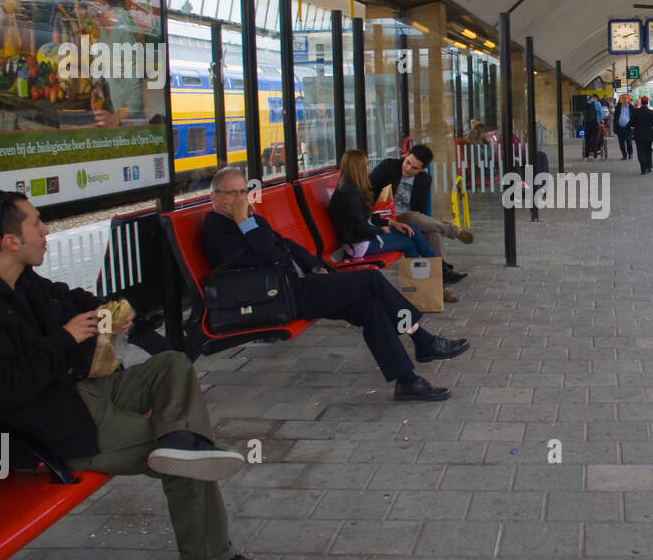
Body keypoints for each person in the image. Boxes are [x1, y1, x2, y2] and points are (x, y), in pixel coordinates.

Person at [0, 189, 266, 560]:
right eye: (36, 223)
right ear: (11, 241)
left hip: (71, 393)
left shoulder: (13, 275)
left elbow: (65, 298)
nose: (46, 230)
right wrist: (64, 338)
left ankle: (182, 439)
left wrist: (106, 312)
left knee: (171, 365)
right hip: (45, 429)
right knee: (185, 455)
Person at [203, 166, 467, 399]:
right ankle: (422, 340)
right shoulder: (217, 229)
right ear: (215, 197)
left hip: (299, 284)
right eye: (232, 193)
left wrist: (316, 266)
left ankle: (407, 381)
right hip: (278, 297)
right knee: (371, 279)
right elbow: (267, 257)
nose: (240, 199)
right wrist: (244, 221)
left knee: (371, 307)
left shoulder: (251, 220)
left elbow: (287, 244)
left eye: (243, 192)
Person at [328, 149, 459, 303]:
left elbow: (366, 217)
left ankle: (422, 287)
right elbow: (361, 228)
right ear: (357, 168)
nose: (368, 169)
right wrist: (381, 230)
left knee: (414, 231)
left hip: (363, 238)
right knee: (411, 240)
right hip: (359, 244)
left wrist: (391, 223)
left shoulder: (351, 188)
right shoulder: (350, 193)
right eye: (365, 165)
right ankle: (433, 281)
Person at [369, 144, 474, 284]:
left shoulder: (424, 180)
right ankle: (454, 232)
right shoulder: (388, 166)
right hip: (383, 217)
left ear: (422, 169)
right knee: (414, 217)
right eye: (407, 162)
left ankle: (441, 276)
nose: (408, 168)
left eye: (414, 168)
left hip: (407, 219)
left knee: (433, 232)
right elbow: (368, 189)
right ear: (406, 156)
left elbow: (421, 211)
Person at [631, 94, 653, 174]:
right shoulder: (651, 112)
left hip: (638, 135)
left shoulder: (636, 112)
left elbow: (632, 123)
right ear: (647, 102)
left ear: (641, 102)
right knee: (648, 151)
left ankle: (643, 168)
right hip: (648, 135)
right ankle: (648, 166)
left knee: (640, 152)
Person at [612, 93, 634, 160]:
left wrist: (633, 126)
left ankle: (630, 153)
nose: (624, 99)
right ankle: (624, 155)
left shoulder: (631, 107)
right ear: (621, 99)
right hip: (620, 127)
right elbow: (615, 118)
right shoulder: (618, 107)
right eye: (623, 98)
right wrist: (614, 128)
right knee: (621, 143)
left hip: (628, 127)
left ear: (628, 99)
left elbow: (634, 117)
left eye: (625, 98)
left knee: (629, 142)